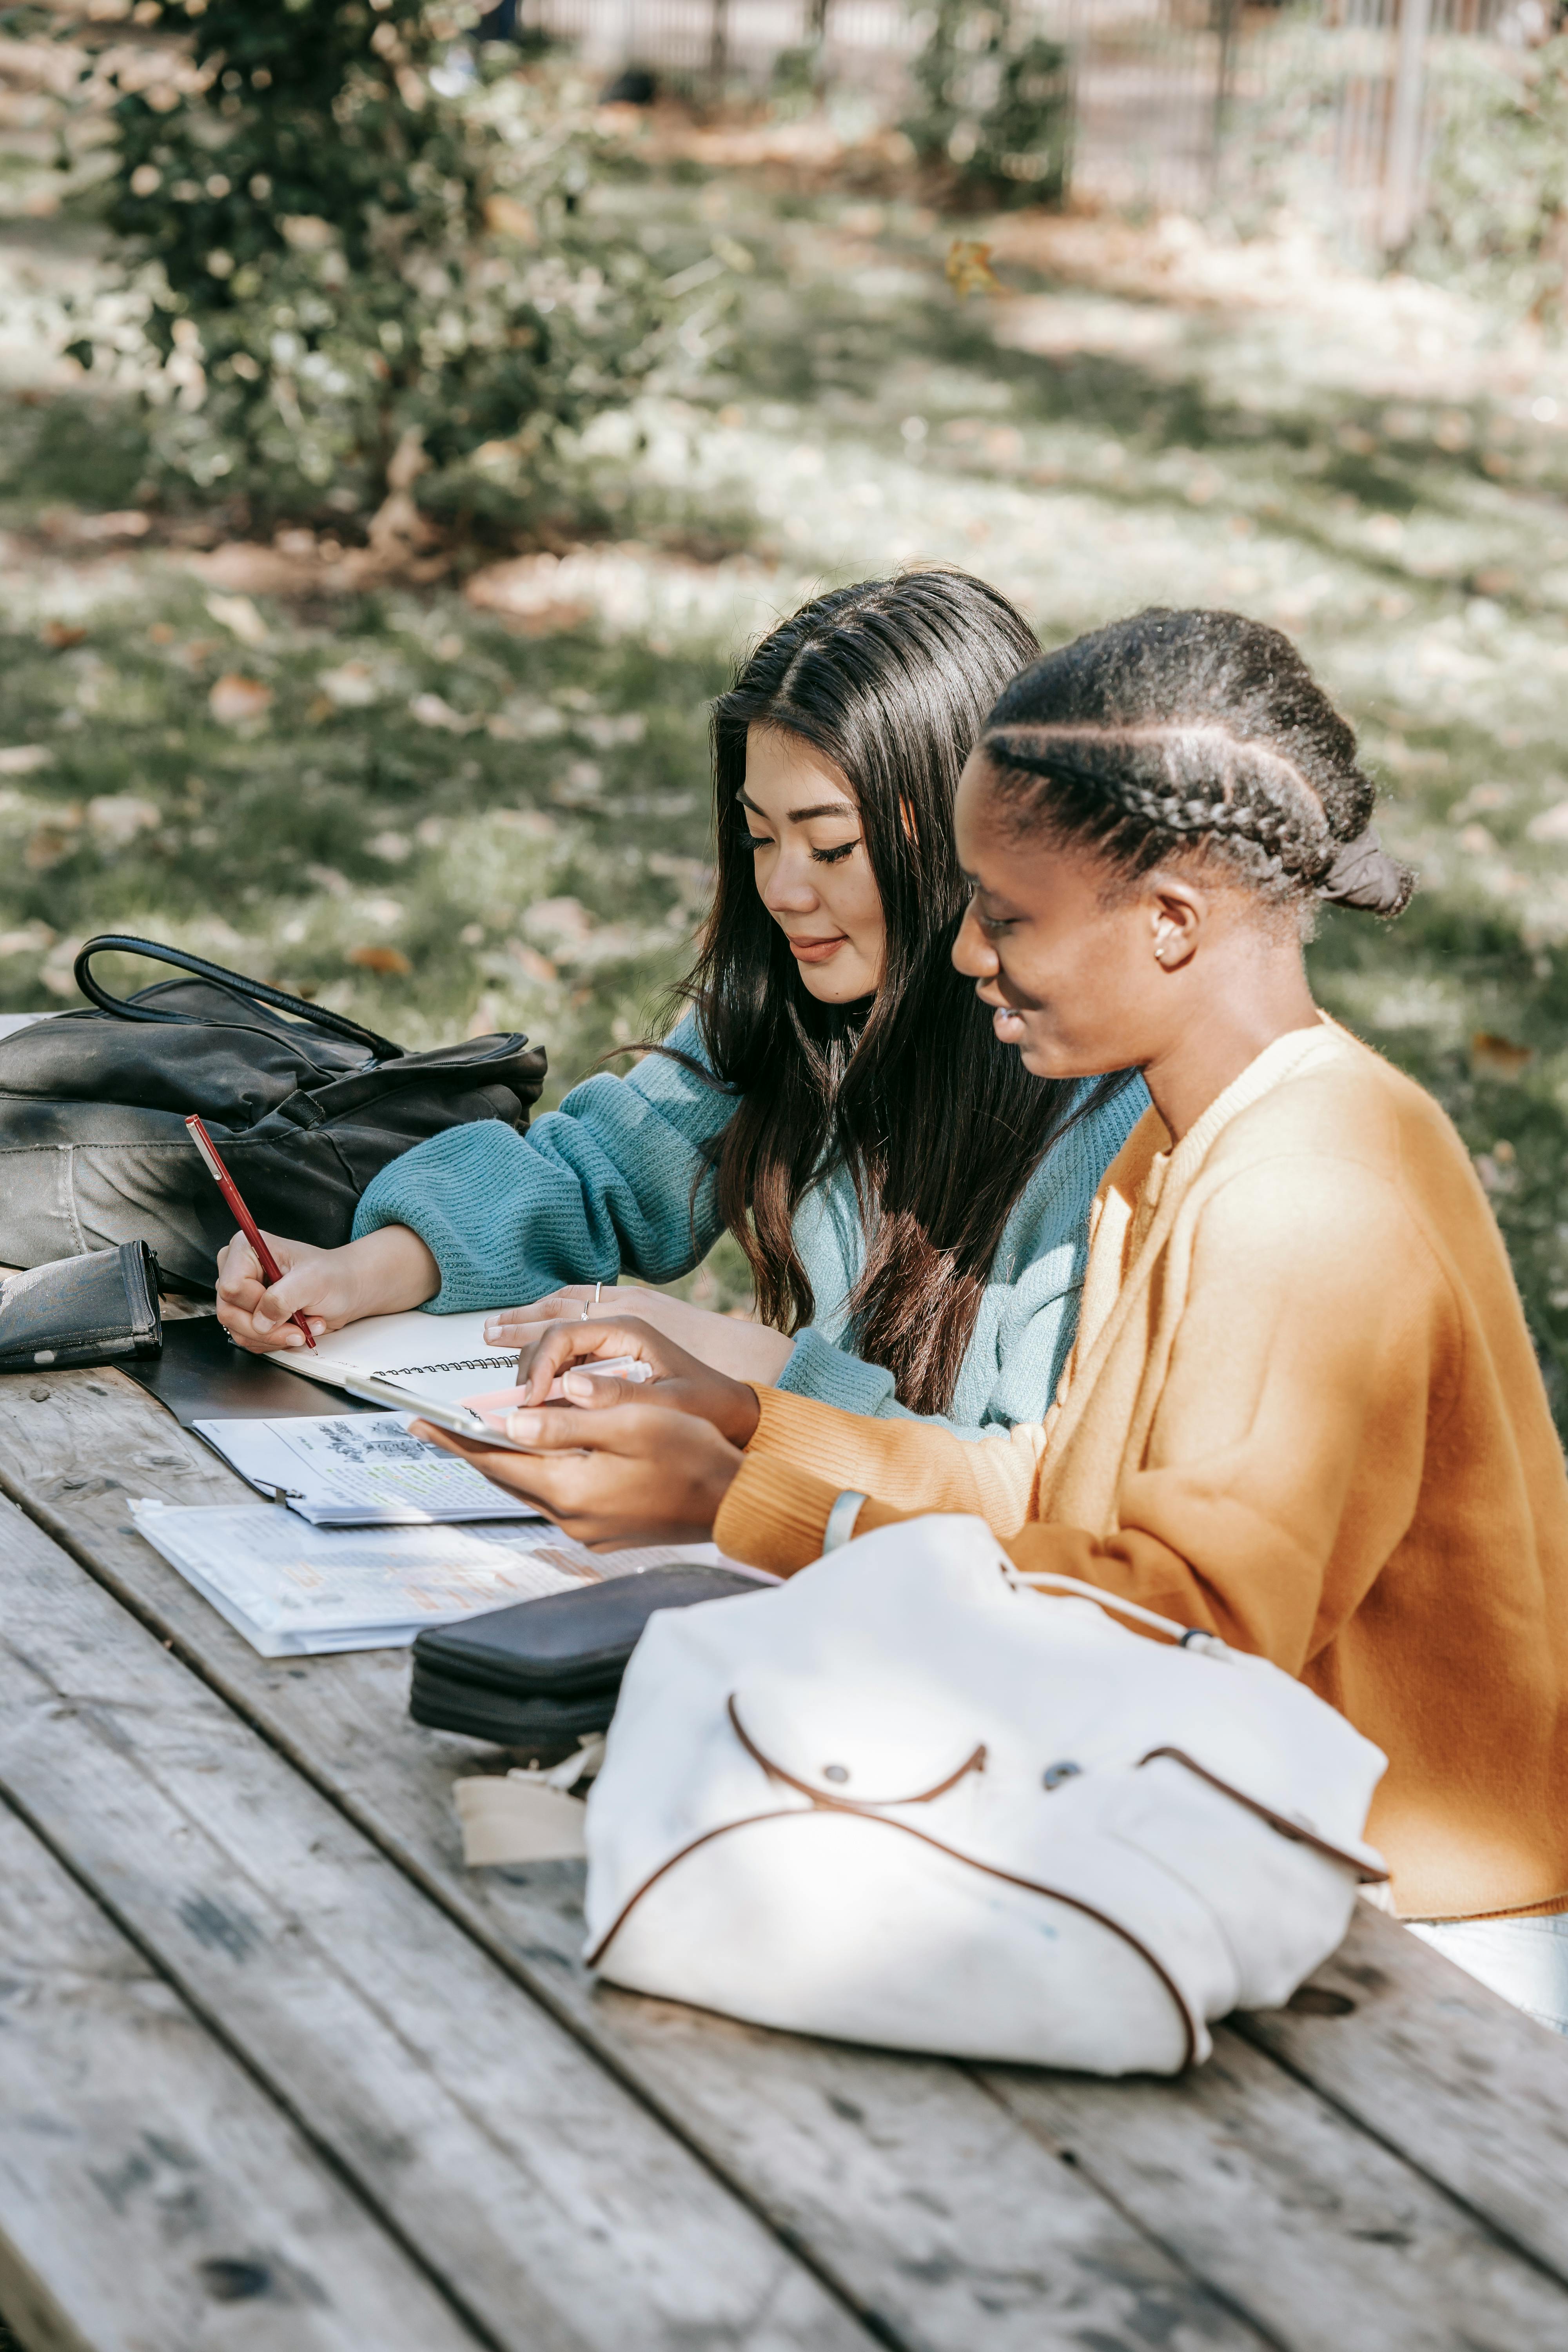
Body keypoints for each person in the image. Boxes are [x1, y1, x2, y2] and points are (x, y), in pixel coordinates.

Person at [419, 606, 1568, 2030]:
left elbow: (1190, 1619)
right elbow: (1050, 1488)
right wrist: (745, 1437)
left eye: (1006, 915)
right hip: (1222, 1841)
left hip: (1425, 1932)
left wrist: (759, 1506)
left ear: (1171, 919)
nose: (962, 954)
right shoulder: (1187, 1133)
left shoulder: (1311, 1192)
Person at [215, 572, 1146, 1434]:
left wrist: (764, 1373)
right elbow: (590, 1182)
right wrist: (356, 1274)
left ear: (964, 843)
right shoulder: (795, 1011)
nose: (781, 890)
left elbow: (1033, 1498)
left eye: (828, 849)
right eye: (756, 837)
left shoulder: (1104, 1129)